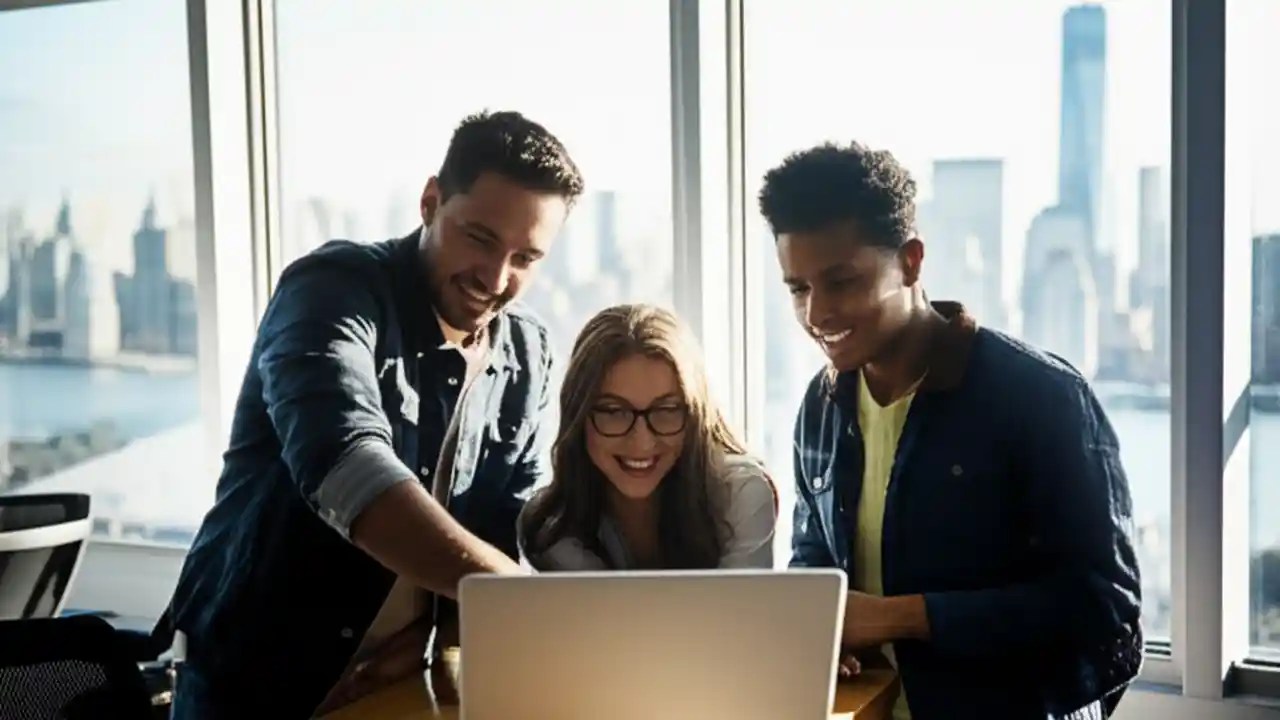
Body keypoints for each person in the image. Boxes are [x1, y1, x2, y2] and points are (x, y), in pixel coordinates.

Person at [157, 110, 585, 718]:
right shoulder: (331, 289)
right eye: (481, 238)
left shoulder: (528, 350)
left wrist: (446, 653)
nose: (495, 278)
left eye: (526, 258)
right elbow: (346, 466)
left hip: (394, 685)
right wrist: (519, 601)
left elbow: (500, 523)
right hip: (254, 679)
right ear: (431, 201)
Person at [759, 142, 1143, 719]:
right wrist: (823, 624)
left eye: (841, 282)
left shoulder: (1040, 398)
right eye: (797, 289)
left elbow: (1105, 612)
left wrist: (899, 617)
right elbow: (815, 553)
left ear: (910, 261)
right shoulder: (820, 405)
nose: (816, 315)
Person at [518, 304, 776, 571]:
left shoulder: (740, 494)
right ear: (579, 416)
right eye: (614, 411)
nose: (642, 442)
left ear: (695, 414)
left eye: (666, 410)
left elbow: (741, 612)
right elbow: (608, 613)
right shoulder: (551, 526)